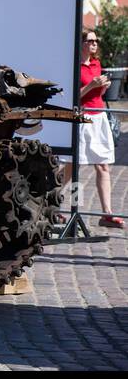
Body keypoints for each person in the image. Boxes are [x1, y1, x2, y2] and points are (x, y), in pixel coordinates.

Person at [59, 29, 123, 229]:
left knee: (103, 166)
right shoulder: (74, 66)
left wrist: (102, 87)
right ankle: (52, 203)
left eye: (96, 40)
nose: (94, 44)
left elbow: (97, 94)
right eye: (90, 40)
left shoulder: (96, 64)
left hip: (99, 117)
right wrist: (90, 86)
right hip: (82, 118)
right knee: (72, 166)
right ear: (82, 44)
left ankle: (107, 214)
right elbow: (71, 98)